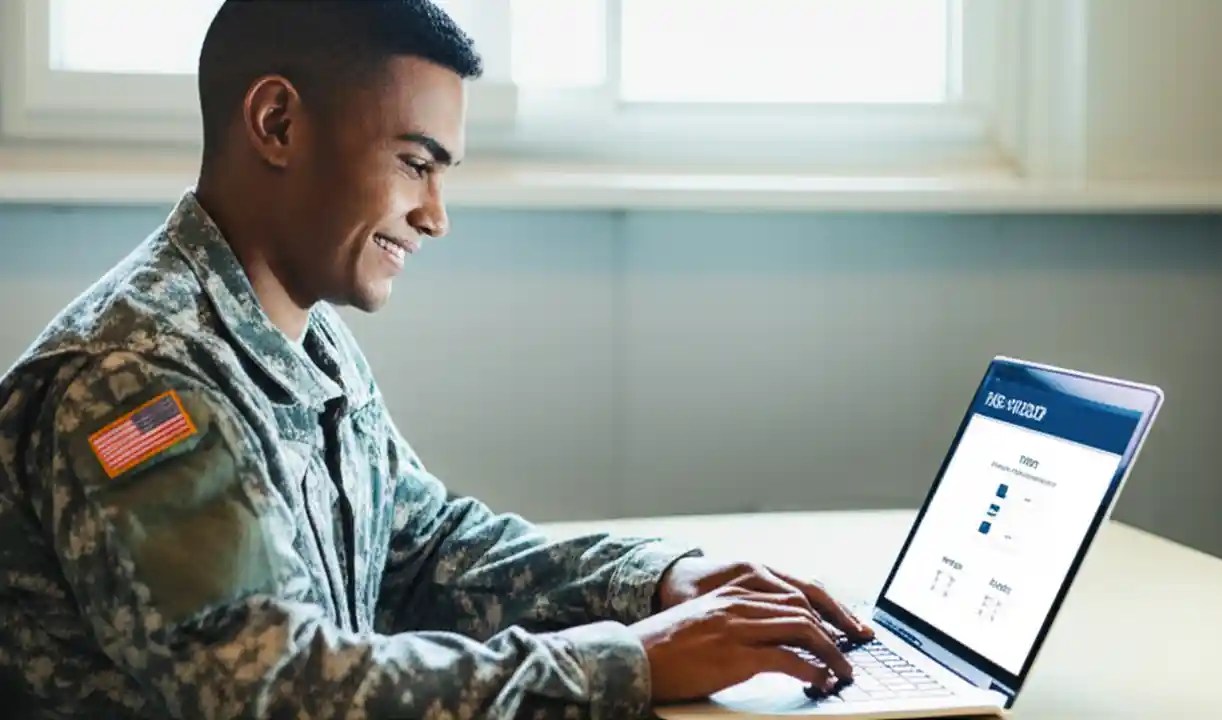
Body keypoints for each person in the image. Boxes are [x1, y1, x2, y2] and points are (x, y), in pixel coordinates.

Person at [0, 1, 872, 717]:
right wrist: (632, 660)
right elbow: (274, 689)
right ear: (277, 124)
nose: (435, 215)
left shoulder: (295, 329)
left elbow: (425, 551)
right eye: (416, 163)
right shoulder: (137, 382)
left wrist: (656, 581)